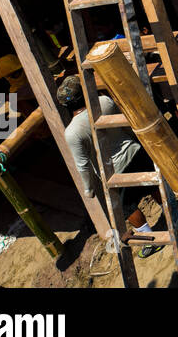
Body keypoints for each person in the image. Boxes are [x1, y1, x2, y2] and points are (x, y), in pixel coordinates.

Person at [56, 76, 163, 258]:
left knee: (125, 206)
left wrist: (89, 189)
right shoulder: (104, 102)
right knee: (153, 184)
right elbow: (125, 125)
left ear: (65, 106)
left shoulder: (72, 132)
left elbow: (83, 165)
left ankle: (150, 238)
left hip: (116, 170)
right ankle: (171, 208)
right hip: (135, 151)